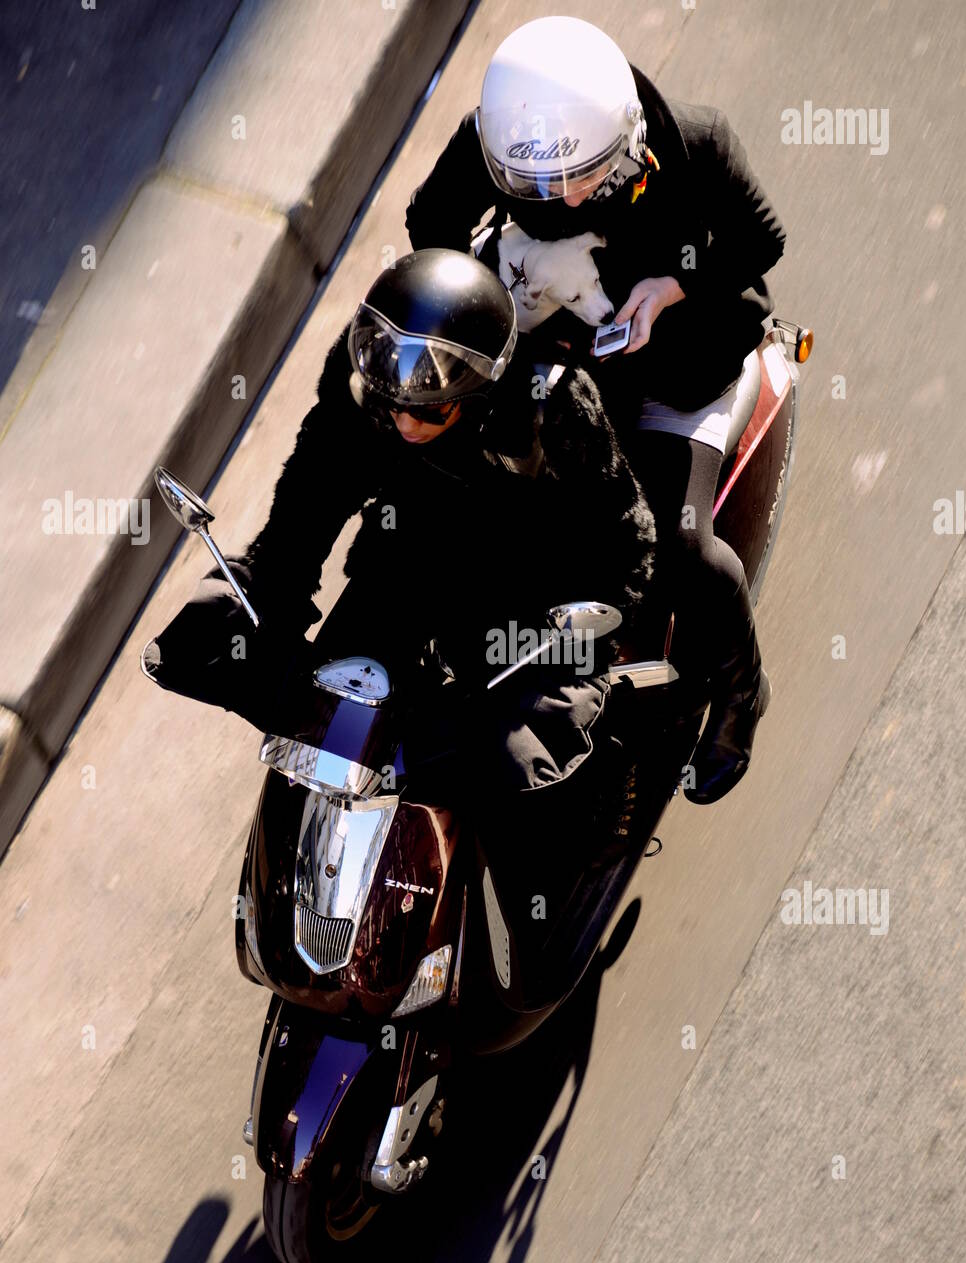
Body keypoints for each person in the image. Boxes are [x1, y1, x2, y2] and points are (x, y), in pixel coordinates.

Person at [144, 249, 657, 926]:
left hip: (526, 600)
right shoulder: (367, 383)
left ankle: (611, 780)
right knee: (312, 723)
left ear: (476, 390)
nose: (406, 423)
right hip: (404, 567)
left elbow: (626, 541)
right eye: (394, 406)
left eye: (431, 410)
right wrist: (268, 580)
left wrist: (579, 632)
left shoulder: (550, 406)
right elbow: (312, 491)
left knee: (515, 771)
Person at [404, 15, 783, 802]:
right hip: (567, 349)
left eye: (576, 180)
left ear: (626, 140)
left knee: (681, 546)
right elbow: (428, 226)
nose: (557, 202)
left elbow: (760, 241)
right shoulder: (492, 141)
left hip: (685, 359)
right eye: (531, 189)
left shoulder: (699, 142)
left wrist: (674, 287)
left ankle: (743, 689)